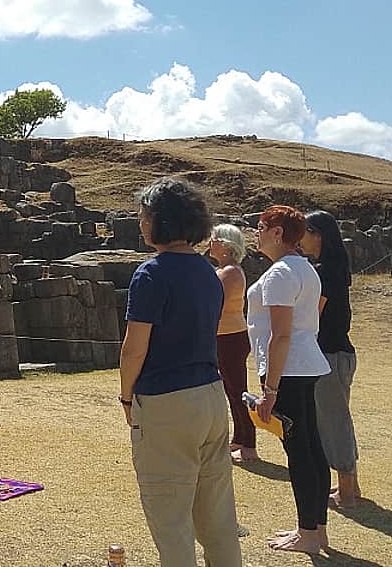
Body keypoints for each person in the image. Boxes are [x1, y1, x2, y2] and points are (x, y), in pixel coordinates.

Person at [120, 177, 242, 567]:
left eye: (144, 217)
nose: (140, 224)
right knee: (218, 518)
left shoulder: (152, 274)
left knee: (171, 520)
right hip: (210, 394)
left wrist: (126, 396)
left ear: (162, 221)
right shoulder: (208, 273)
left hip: (166, 403)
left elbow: (135, 347)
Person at [249, 205, 333, 554]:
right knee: (311, 447)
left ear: (277, 233)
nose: (256, 233)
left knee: (300, 452)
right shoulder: (304, 269)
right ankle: (316, 528)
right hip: (303, 365)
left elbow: (280, 334)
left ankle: (308, 533)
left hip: (289, 369)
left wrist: (270, 389)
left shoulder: (281, 273)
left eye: (260, 227)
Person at [301, 210, 361, 509]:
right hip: (338, 353)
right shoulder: (333, 268)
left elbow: (314, 315)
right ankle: (350, 485)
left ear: (317, 235)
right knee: (337, 419)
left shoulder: (326, 271)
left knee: (334, 421)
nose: (300, 239)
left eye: (304, 232)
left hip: (330, 354)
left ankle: (347, 492)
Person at [208, 223, 257, 462]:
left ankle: (249, 443)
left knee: (237, 390)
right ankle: (240, 438)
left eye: (214, 238)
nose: (210, 242)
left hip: (230, 337)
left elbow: (214, 305)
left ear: (226, 245)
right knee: (232, 389)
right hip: (226, 336)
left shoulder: (228, 273)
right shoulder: (228, 270)